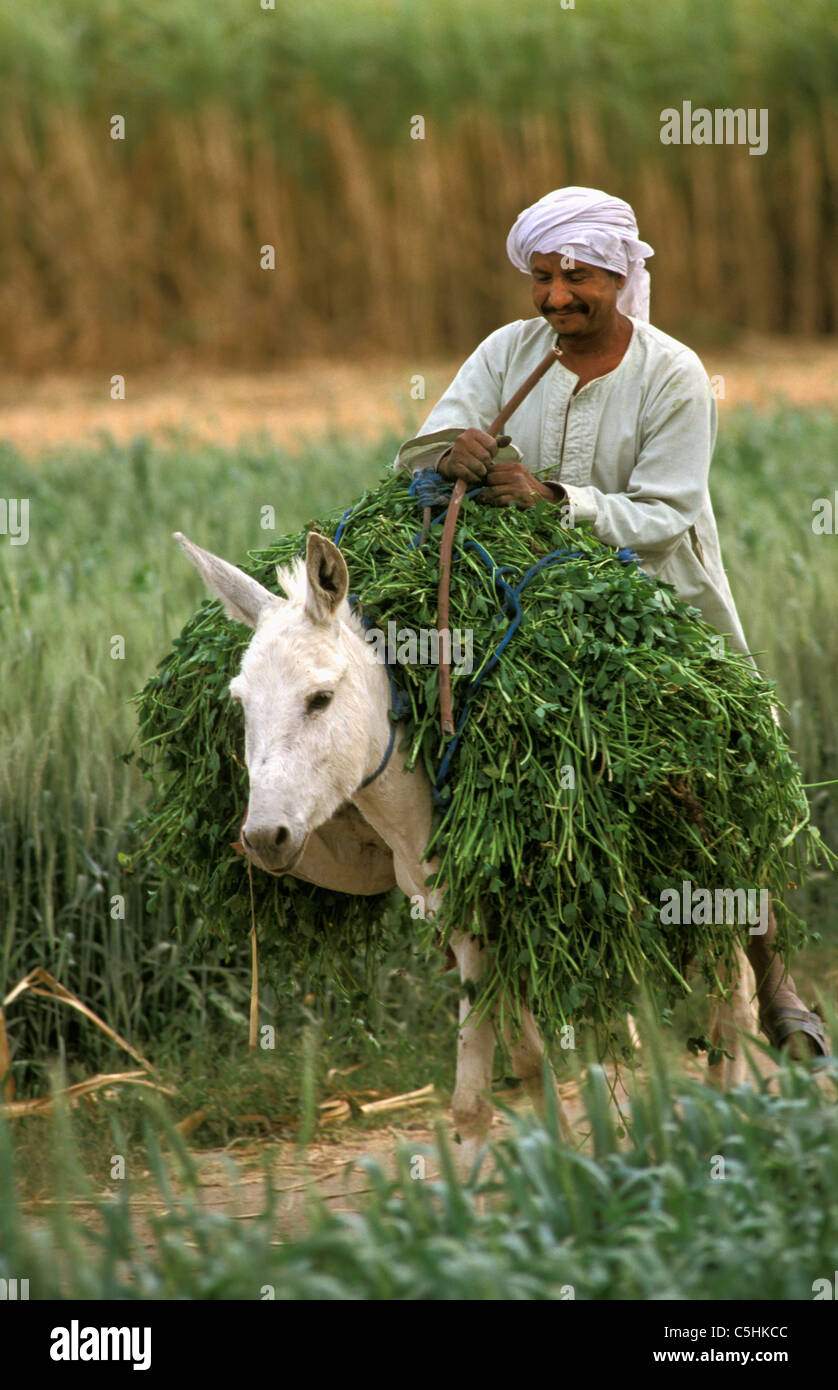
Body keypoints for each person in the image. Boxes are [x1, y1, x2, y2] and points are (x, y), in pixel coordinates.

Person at [394, 185, 828, 1059]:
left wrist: (554, 499)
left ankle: (772, 974)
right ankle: (507, 975)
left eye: (576, 277)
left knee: (714, 776)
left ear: (621, 276)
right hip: (521, 603)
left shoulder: (672, 375)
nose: (556, 297)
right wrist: (454, 452)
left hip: (653, 608)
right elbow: (419, 450)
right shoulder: (509, 352)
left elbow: (665, 516)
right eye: (543, 277)